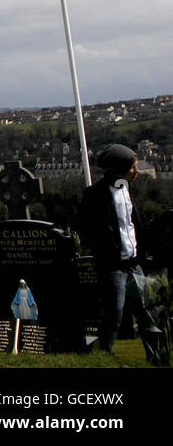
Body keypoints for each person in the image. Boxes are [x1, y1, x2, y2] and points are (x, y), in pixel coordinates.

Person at [79, 144, 163, 358]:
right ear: (119, 168)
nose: (137, 171)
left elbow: (133, 224)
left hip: (134, 264)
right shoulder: (95, 195)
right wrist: (109, 251)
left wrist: (143, 251)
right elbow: (87, 229)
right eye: (133, 167)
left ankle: (157, 356)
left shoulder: (124, 188)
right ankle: (104, 356)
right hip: (113, 267)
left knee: (147, 312)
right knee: (113, 314)